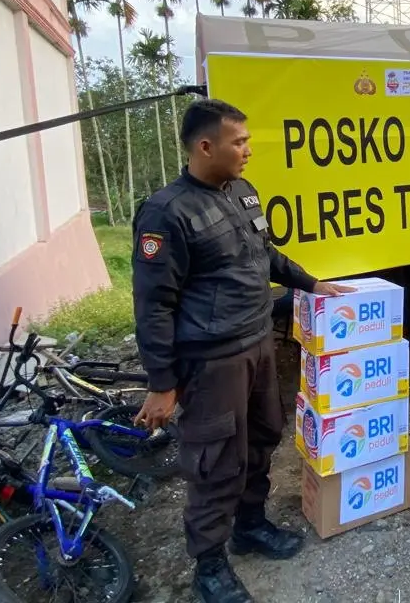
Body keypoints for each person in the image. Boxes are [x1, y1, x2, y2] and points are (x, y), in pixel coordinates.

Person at [131, 98, 353, 603]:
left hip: (257, 342)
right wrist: (163, 383)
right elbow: (153, 304)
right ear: (206, 146)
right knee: (215, 459)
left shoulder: (241, 192)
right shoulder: (167, 212)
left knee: (263, 436)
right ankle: (209, 566)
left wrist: (312, 284)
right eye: (239, 142)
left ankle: (250, 524)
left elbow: (265, 254)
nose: (248, 150)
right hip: (211, 361)